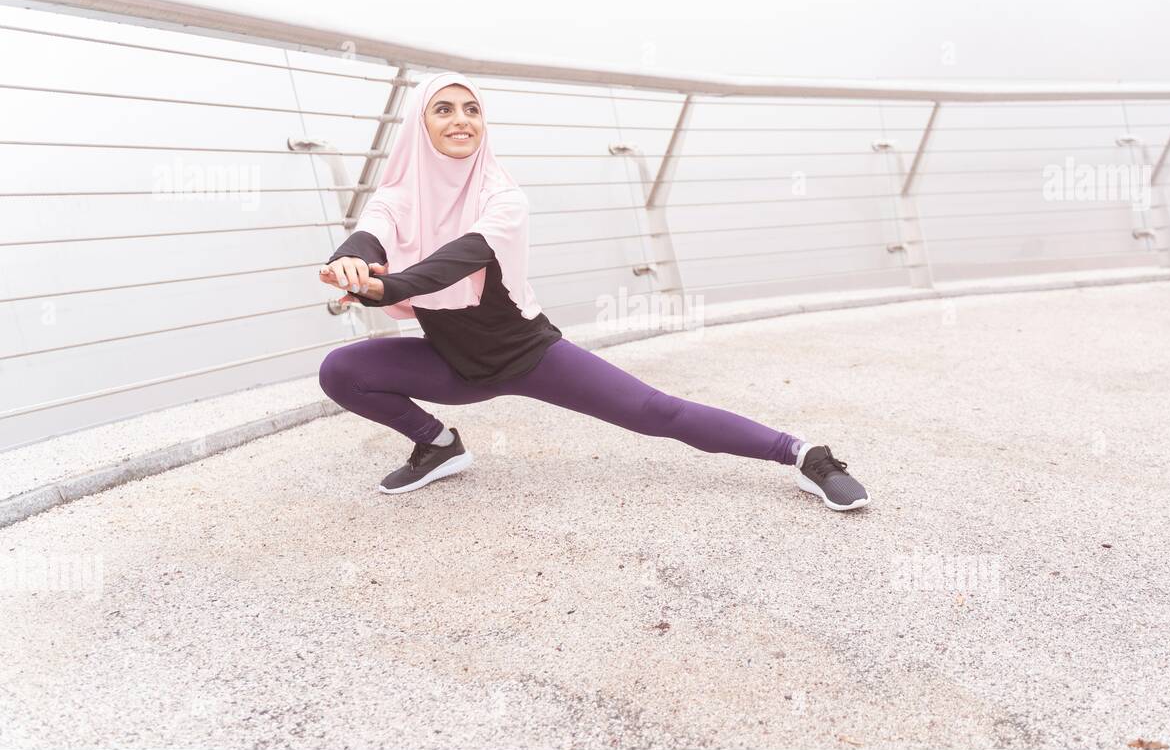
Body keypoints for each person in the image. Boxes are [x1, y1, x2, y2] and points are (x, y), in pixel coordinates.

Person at [317, 71, 870, 511]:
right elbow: (371, 236)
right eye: (444, 109)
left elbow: (448, 266)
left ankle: (802, 455)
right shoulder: (398, 195)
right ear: (421, 123)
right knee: (341, 371)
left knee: (659, 413)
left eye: (472, 109)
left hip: (528, 357)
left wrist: (380, 285)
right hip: (452, 363)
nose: (461, 120)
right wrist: (350, 265)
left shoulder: (503, 198)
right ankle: (438, 446)